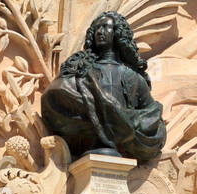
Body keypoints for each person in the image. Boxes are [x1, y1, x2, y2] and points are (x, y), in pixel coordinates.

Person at [41, 11, 166, 163]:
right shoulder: (81, 70)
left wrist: (128, 119)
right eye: (97, 28)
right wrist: (119, 117)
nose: (100, 32)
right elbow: (53, 93)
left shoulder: (133, 77)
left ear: (117, 33)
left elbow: (152, 115)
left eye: (106, 27)